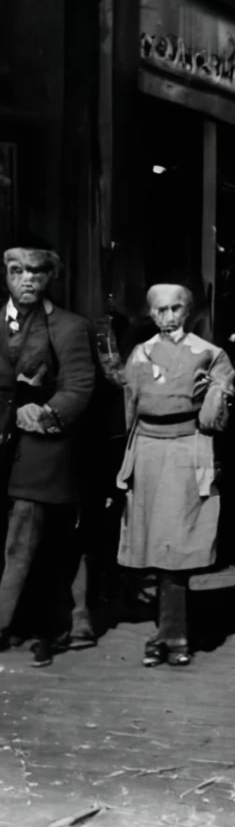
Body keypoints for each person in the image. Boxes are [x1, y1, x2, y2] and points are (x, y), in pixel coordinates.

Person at [115, 285, 235, 667]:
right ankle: (169, 633)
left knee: (178, 544)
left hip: (186, 448)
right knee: (154, 544)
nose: (168, 317)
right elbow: (129, 408)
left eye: (176, 309)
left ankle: (173, 635)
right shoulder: (140, 354)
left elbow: (220, 412)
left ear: (188, 311)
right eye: (160, 310)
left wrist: (215, 395)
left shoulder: (210, 353)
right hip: (147, 450)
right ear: (151, 314)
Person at [0, 245, 95, 667]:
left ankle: (17, 623)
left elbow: (79, 386)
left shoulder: (70, 327)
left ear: (49, 277)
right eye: (17, 270)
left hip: (43, 447)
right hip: (3, 444)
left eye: (36, 272)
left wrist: (44, 413)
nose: (27, 279)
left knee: (29, 537)